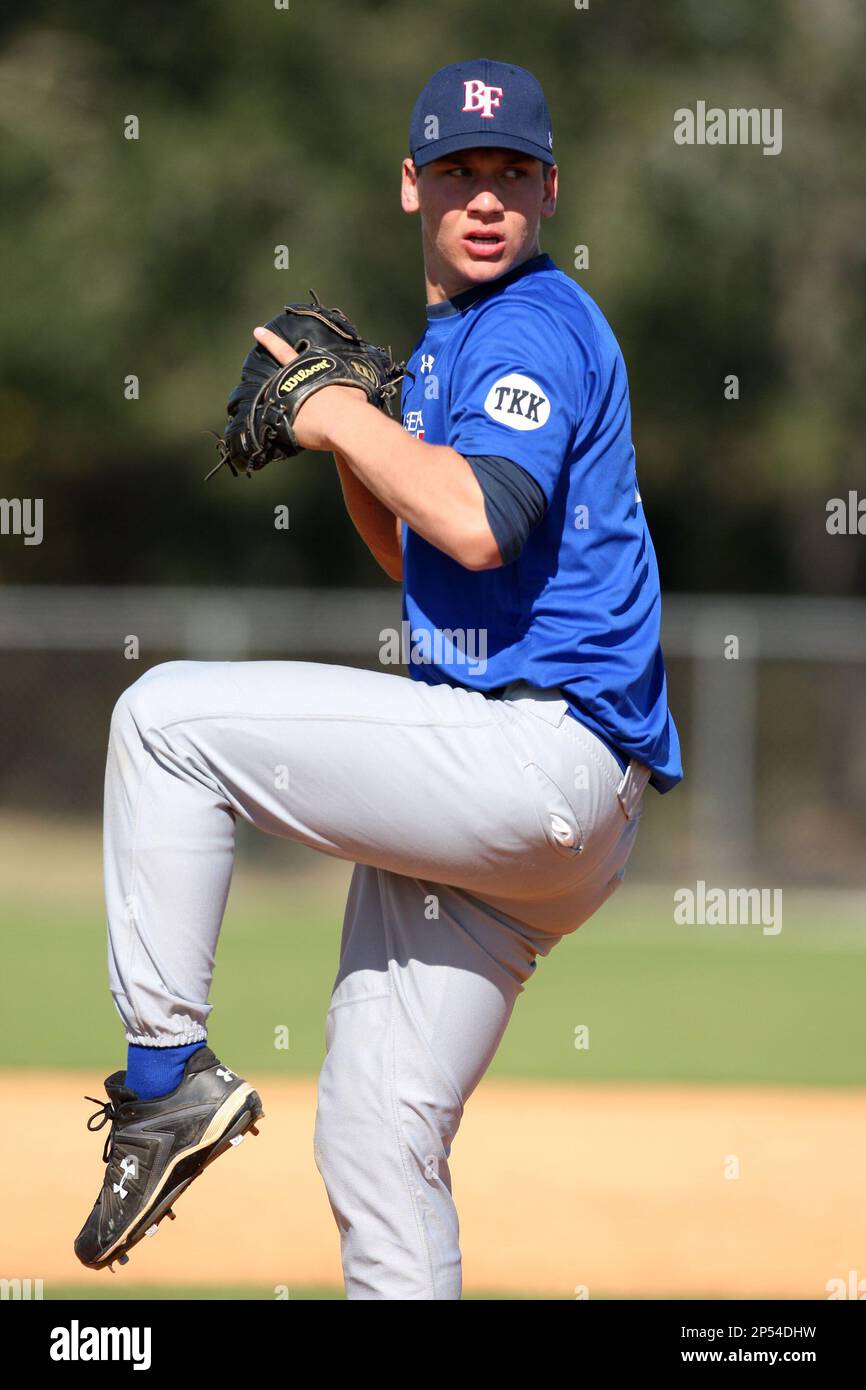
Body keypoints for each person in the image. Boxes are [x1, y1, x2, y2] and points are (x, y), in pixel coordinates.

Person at [74, 58, 682, 1300]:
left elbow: (475, 523)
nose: (484, 195)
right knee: (372, 1136)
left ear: (549, 188)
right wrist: (353, 428)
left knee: (163, 720)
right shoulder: (454, 344)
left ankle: (163, 1084)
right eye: (458, 170)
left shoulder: (533, 324)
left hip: (541, 758)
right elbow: (422, 557)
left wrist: (335, 418)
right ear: (412, 185)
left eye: (509, 170)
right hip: (524, 817)